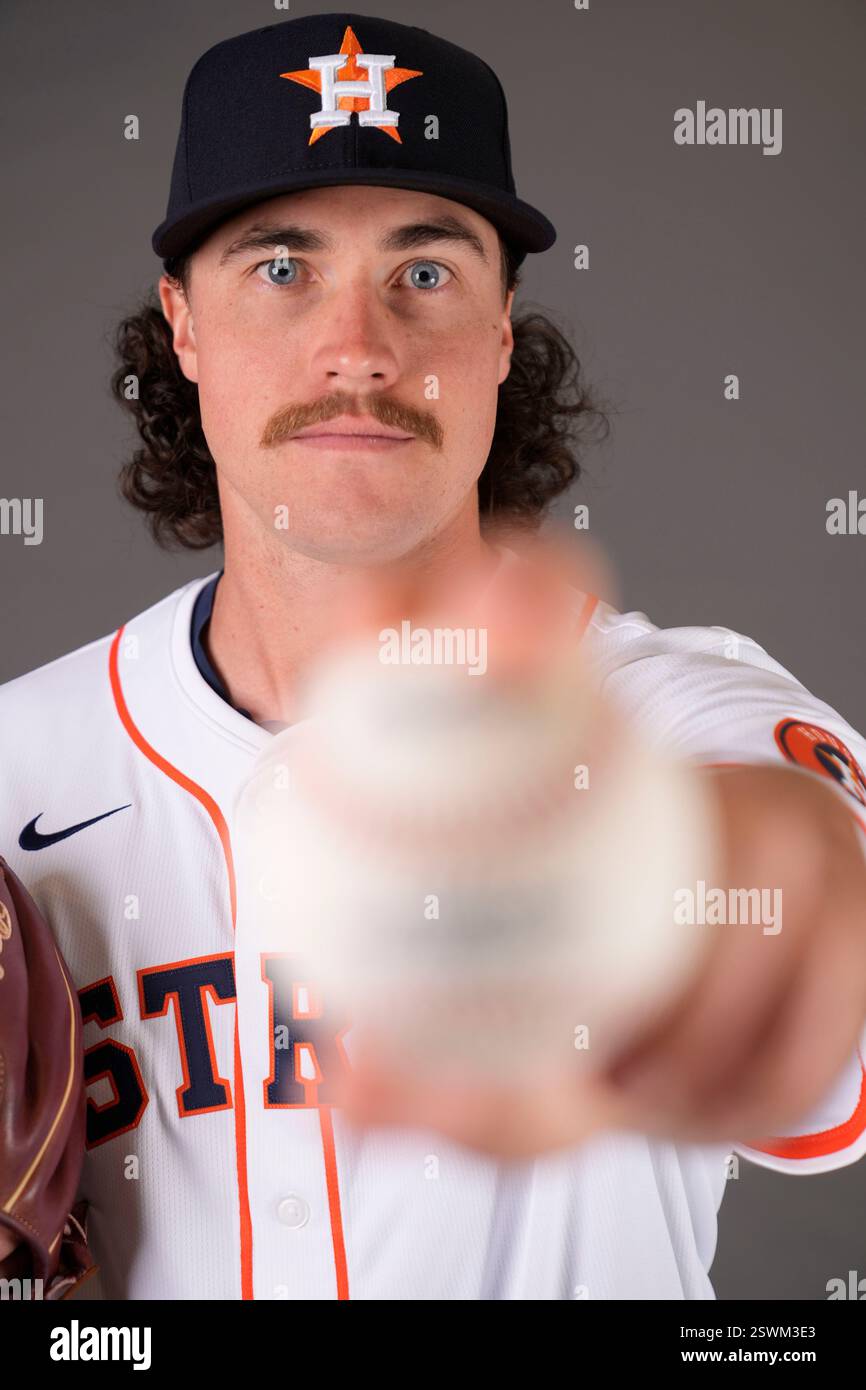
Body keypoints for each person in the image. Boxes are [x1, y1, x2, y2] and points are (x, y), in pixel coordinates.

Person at [1, 13, 864, 1301]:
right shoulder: (21, 762)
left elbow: (809, 916)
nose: (360, 344)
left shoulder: (664, 712)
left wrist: (692, 886)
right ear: (182, 329)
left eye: (426, 271)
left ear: (503, 330)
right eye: (282, 268)